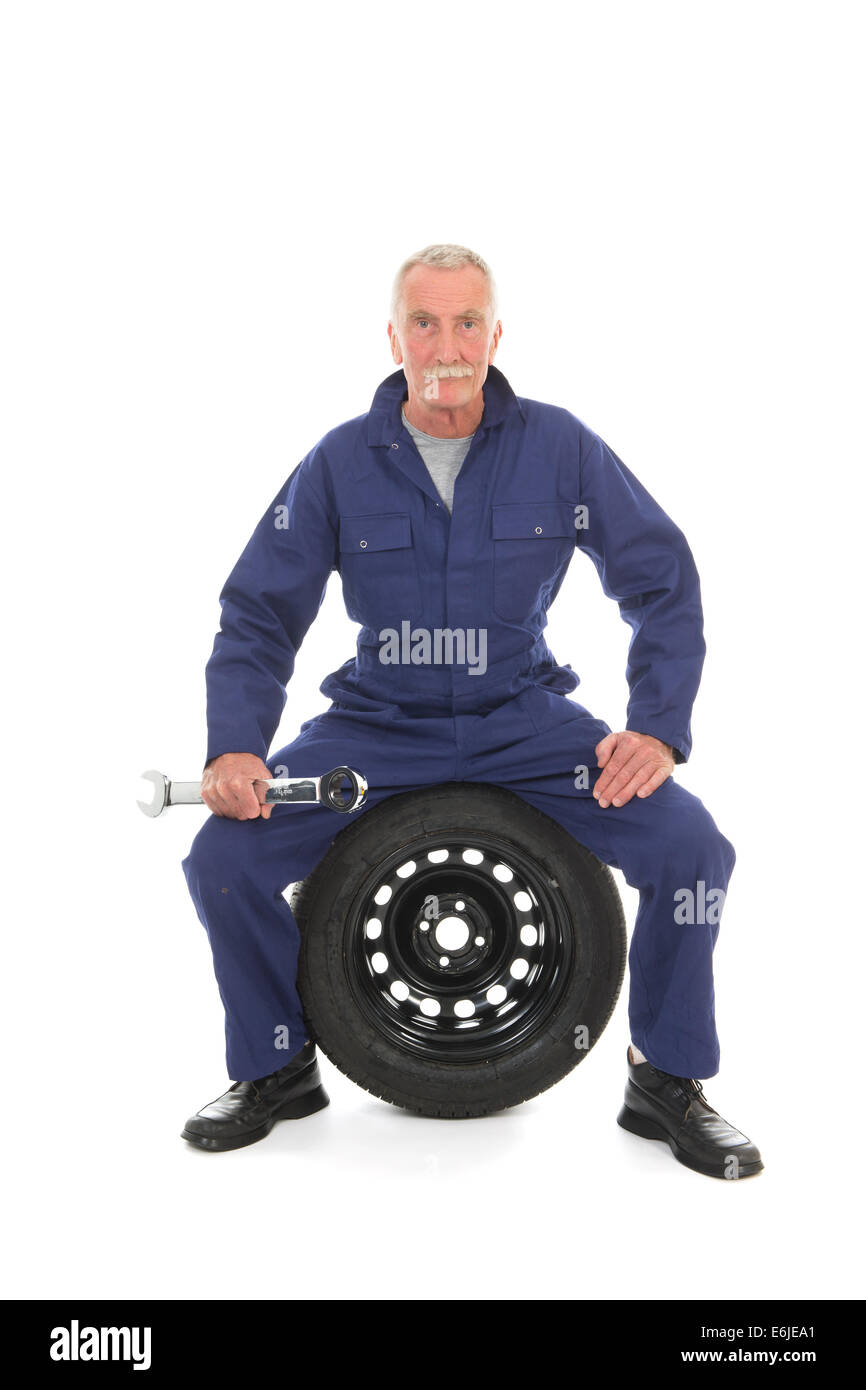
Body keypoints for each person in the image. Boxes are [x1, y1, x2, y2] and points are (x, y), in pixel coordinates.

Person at [180, 242, 762, 1179]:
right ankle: (277, 1066)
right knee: (224, 858)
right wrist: (235, 750)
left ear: (497, 333)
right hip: (377, 726)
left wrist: (655, 725)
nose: (446, 344)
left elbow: (662, 577)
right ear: (393, 335)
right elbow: (257, 612)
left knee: (691, 848)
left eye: (465, 322)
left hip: (524, 723)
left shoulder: (559, 445)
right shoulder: (340, 462)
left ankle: (667, 1080)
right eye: (424, 321)